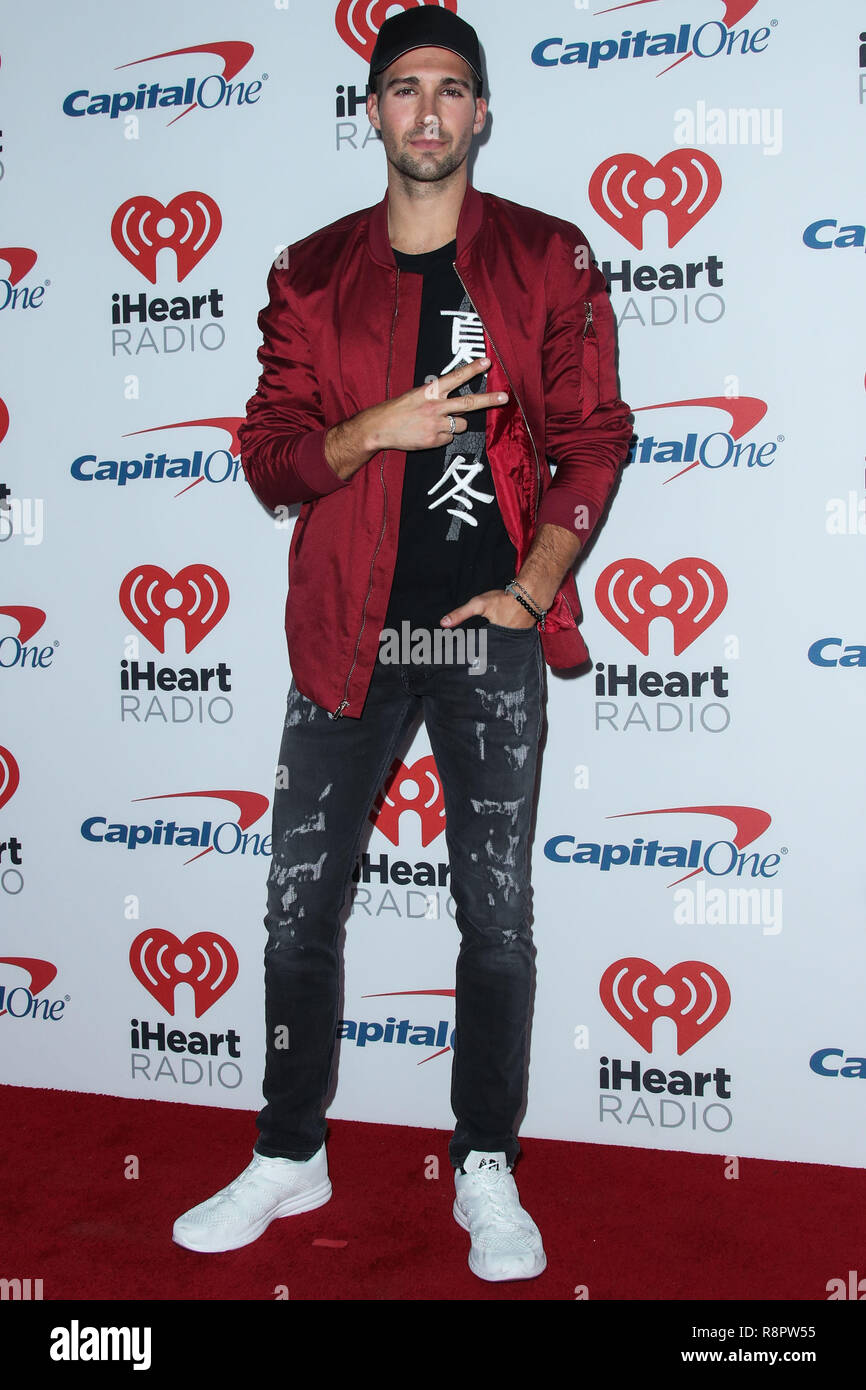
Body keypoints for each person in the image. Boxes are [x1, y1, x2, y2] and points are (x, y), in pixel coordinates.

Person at [173, 6, 632, 1283]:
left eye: (451, 89)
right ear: (369, 112)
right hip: (347, 639)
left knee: (493, 917)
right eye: (402, 88)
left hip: (483, 637)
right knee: (294, 909)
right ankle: (288, 1149)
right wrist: (374, 426)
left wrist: (533, 588)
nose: (426, 109)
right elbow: (267, 458)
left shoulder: (547, 257)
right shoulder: (308, 273)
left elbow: (595, 436)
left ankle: (483, 1161)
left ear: (480, 115)